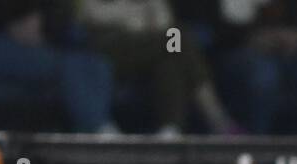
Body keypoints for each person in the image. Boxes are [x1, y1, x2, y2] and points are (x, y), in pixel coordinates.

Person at [185, 0, 297, 135]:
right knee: (261, 78)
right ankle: (253, 159)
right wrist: (247, 39)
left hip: (291, 51)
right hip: (234, 49)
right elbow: (197, 21)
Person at [77, 0, 238, 135]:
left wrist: (134, 17)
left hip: (147, 44)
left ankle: (170, 130)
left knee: (171, 55)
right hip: (105, 47)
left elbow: (165, 19)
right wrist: (133, 16)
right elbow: (89, 14)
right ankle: (216, 117)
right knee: (177, 39)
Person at [0, 1, 117, 133]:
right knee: (72, 67)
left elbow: (62, 21)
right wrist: (16, 21)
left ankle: (96, 128)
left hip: (36, 40)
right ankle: (98, 129)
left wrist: (46, 30)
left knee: (95, 65)